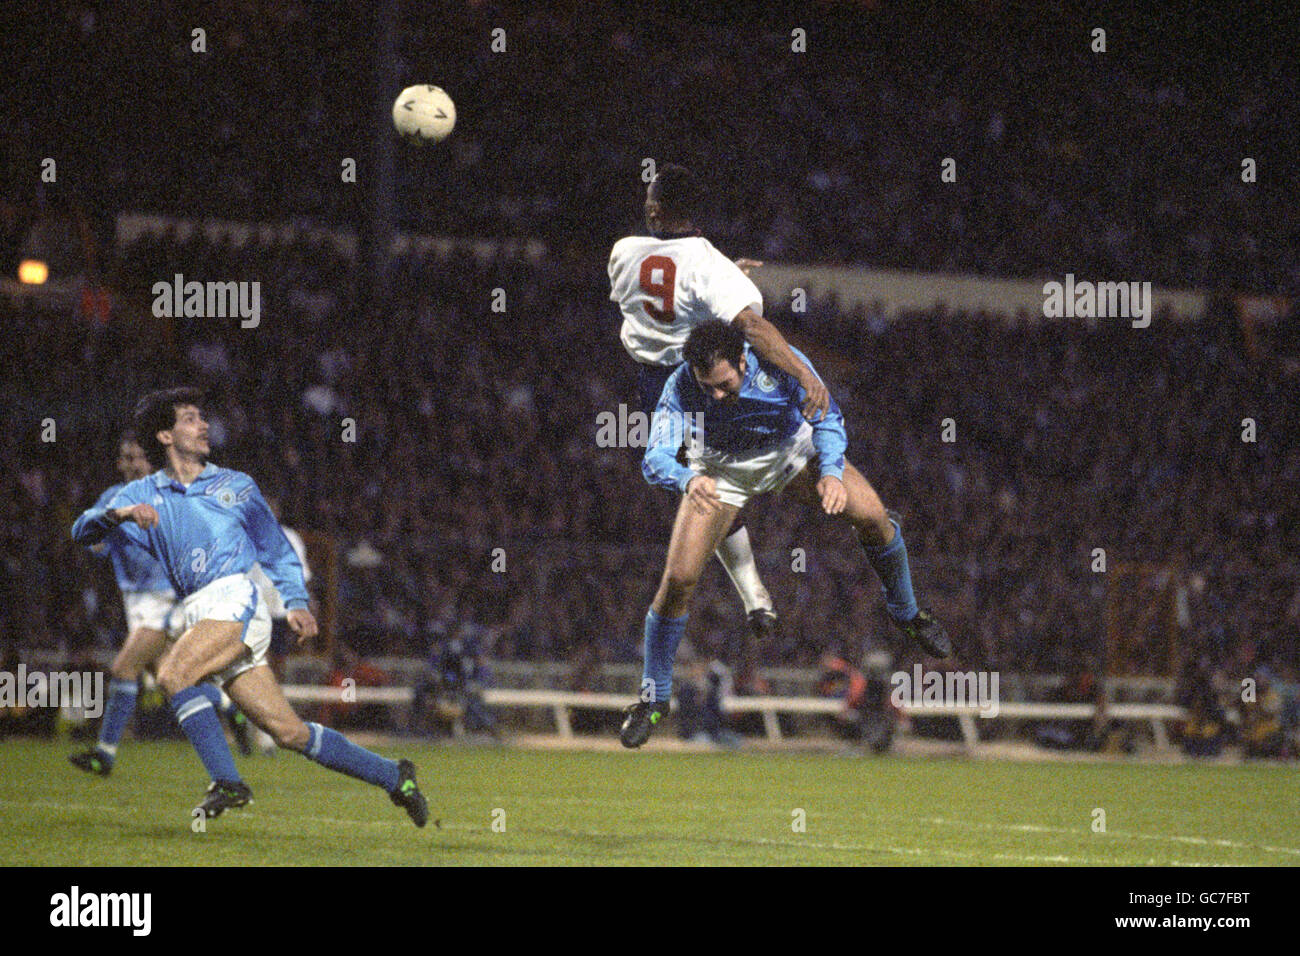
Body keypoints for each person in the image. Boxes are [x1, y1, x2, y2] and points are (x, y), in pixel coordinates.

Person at [71, 387, 428, 825]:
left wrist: (295, 600)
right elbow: (81, 532)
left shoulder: (235, 486)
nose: (203, 425)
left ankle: (227, 781)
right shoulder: (140, 494)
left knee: (173, 673)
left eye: (202, 417)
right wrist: (116, 516)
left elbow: (276, 549)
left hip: (235, 599)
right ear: (164, 435)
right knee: (288, 732)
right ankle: (395, 777)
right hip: (199, 611)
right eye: (189, 419)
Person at [620, 321, 951, 747]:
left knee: (874, 518)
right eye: (709, 388)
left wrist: (831, 473)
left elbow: (827, 415)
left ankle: (908, 614)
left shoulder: (783, 365)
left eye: (723, 384)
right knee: (678, 580)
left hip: (791, 454)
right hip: (721, 471)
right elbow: (655, 456)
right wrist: (686, 479)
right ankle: (653, 700)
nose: (716, 395)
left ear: (743, 360)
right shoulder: (683, 384)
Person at [608, 164, 830, 687]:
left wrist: (718, 272)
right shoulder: (712, 268)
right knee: (735, 478)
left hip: (664, 388)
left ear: (654, 210)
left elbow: (659, 278)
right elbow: (743, 319)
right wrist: (802, 372)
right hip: (704, 380)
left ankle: (753, 595)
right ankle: (757, 592)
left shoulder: (620, 253)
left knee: (710, 492)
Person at [69, 431, 251, 776]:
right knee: (171, 681)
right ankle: (228, 705)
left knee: (124, 669)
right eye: (125, 457)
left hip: (167, 597)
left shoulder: (169, 494)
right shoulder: (113, 497)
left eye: (137, 456)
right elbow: (95, 542)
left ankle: (104, 755)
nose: (130, 463)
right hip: (134, 600)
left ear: (151, 460)